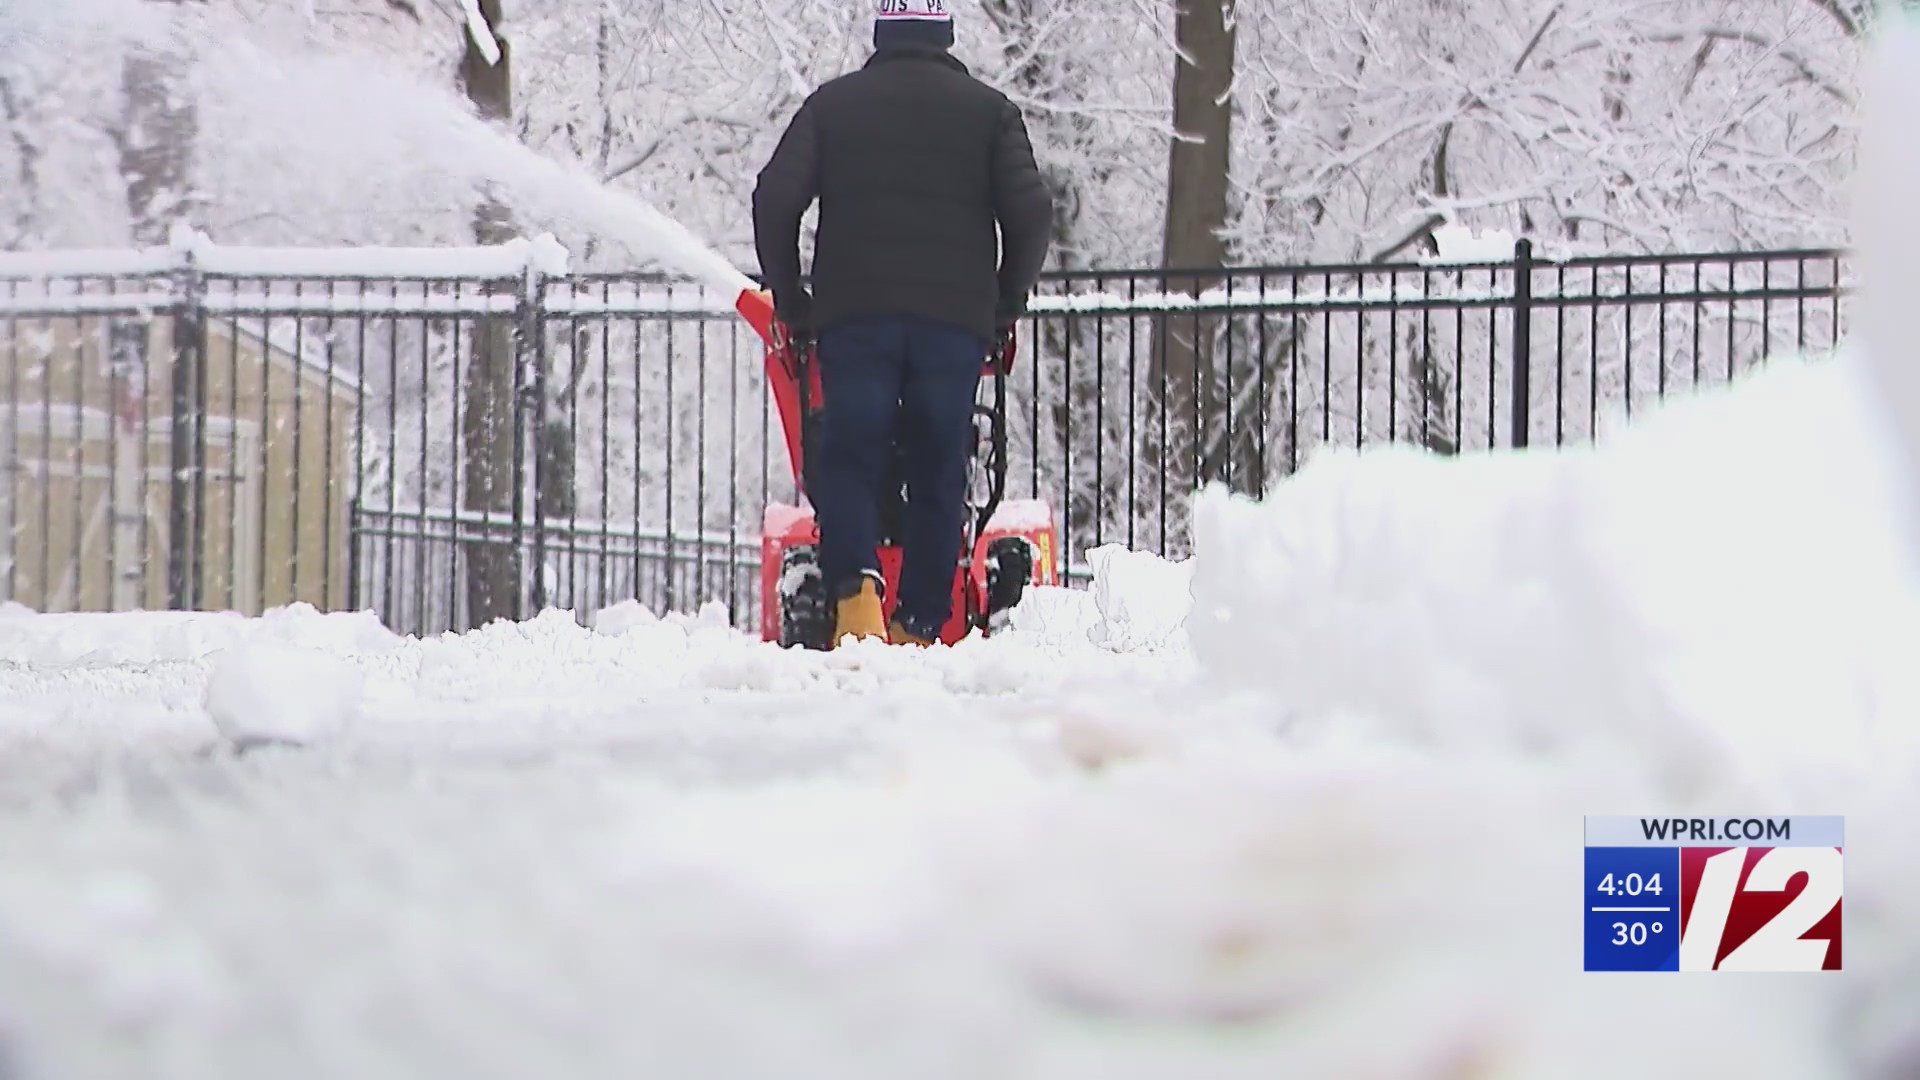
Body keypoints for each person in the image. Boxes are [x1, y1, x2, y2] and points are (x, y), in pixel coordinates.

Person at [752, 0, 1053, 648]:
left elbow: (774, 198)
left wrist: (791, 296)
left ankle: (856, 600)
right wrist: (1006, 302)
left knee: (851, 450)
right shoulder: (990, 112)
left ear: (881, 33)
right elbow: (1031, 214)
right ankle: (919, 621)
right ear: (945, 34)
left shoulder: (831, 108)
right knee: (941, 459)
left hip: (854, 315)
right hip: (954, 321)